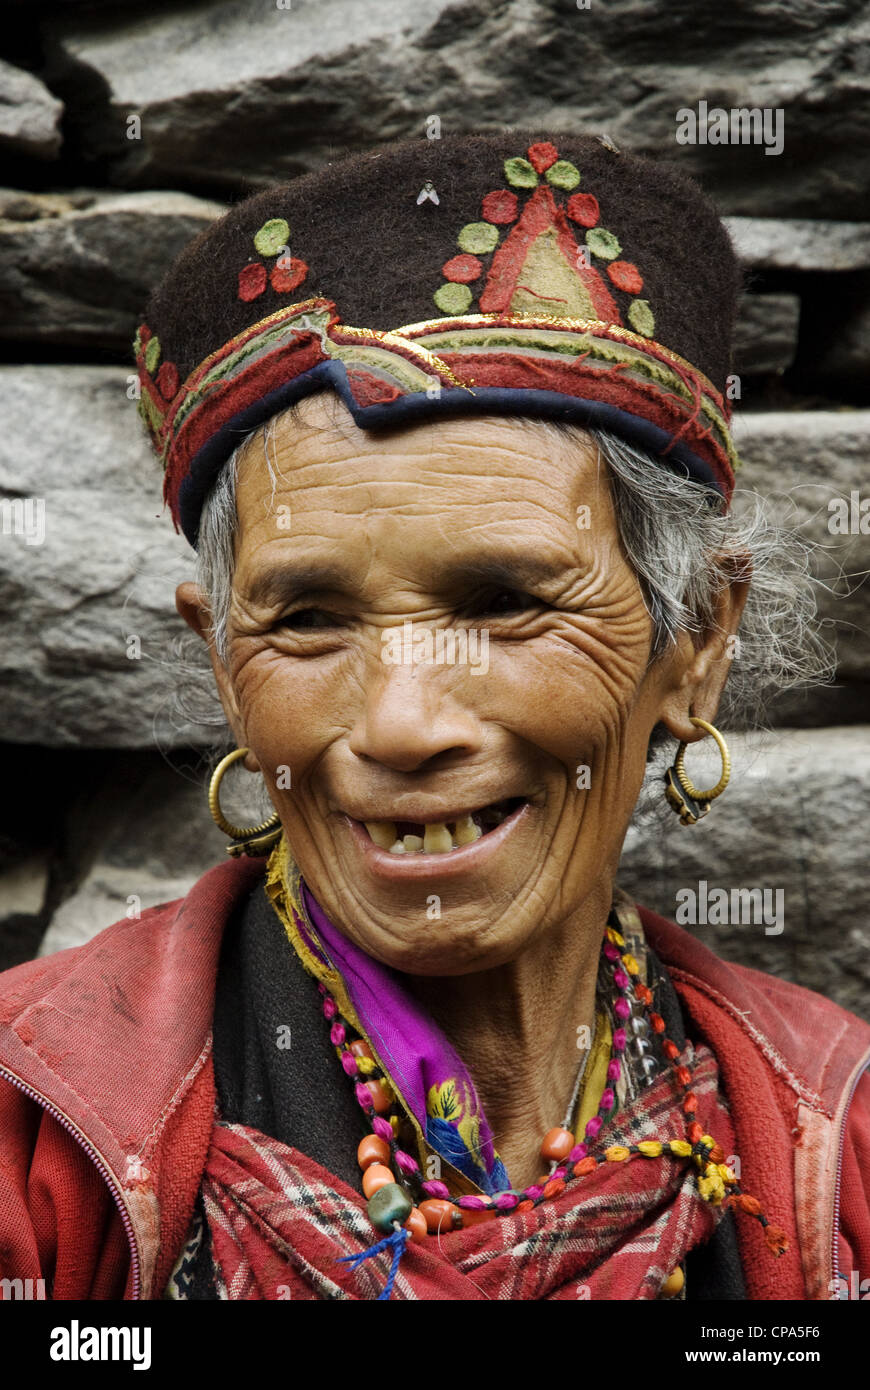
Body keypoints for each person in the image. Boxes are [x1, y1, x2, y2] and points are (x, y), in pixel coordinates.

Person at [1, 132, 867, 1302]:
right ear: (222, 660)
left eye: (506, 602)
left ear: (696, 639)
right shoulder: (33, 1137)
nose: (403, 726)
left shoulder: (838, 1142)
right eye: (307, 619)